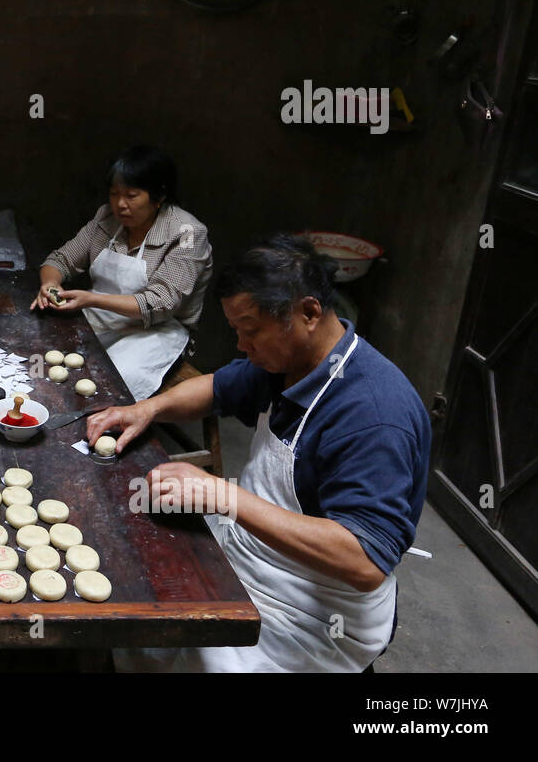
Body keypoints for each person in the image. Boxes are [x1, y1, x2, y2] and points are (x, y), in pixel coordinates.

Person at [90, 234, 432, 671]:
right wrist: (146, 409)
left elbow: (364, 560)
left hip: (312, 610)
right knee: (134, 584)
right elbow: (217, 388)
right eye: (237, 331)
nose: (241, 345)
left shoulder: (374, 414)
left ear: (308, 312)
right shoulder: (289, 361)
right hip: (248, 553)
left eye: (250, 331)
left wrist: (225, 496)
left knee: (200, 657)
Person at [33, 145, 212, 400]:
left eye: (132, 195)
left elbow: (160, 303)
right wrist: (51, 286)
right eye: (114, 193)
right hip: (100, 315)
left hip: (157, 331)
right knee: (40, 354)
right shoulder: (107, 218)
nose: (120, 204)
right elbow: (61, 259)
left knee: (107, 384)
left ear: (158, 197)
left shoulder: (187, 233)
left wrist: (91, 298)